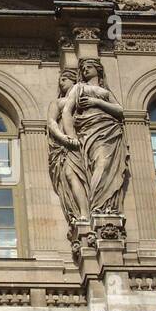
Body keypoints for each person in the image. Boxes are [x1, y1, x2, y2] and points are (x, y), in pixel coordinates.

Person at [60, 59, 129, 215]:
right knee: (100, 163)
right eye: (83, 68)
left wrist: (96, 101)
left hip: (109, 130)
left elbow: (119, 110)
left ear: (98, 70)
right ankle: (96, 206)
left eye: (89, 67)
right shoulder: (78, 87)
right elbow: (66, 112)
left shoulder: (105, 91)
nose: (85, 70)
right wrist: (71, 137)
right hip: (89, 131)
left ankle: (103, 206)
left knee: (106, 166)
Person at [47, 69, 90, 223]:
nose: (61, 82)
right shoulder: (57, 103)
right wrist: (64, 138)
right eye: (60, 80)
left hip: (84, 143)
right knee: (70, 175)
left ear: (73, 80)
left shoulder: (84, 97)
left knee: (88, 177)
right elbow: (52, 123)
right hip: (66, 147)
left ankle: (89, 212)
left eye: (65, 79)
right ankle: (82, 213)